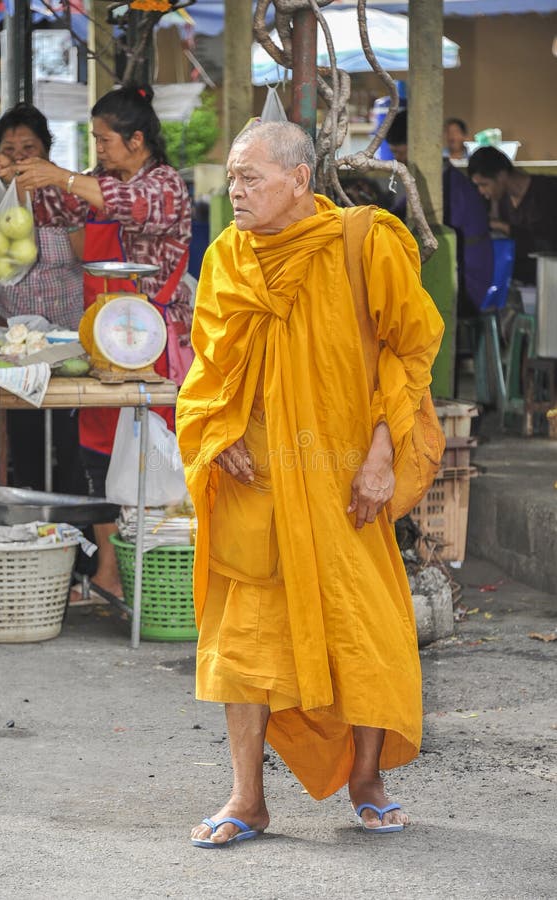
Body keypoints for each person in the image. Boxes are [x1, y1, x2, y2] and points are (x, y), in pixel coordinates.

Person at [176, 121, 444, 847]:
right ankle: (245, 798)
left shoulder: (363, 241)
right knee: (243, 643)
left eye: (250, 176)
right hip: (255, 478)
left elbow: (411, 348)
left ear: (299, 179)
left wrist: (383, 453)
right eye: (231, 177)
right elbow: (209, 365)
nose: (235, 190)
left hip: (342, 476)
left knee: (361, 626)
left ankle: (366, 777)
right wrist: (218, 430)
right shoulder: (230, 254)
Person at [15, 85, 193, 599]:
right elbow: (57, 210)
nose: (99, 150)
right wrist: (19, 177)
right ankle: (110, 575)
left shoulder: (164, 186)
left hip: (155, 341)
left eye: (104, 139)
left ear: (137, 140)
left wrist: (62, 174)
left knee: (152, 458)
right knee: (100, 452)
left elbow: (130, 206)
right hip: (102, 336)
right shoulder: (100, 180)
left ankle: (156, 575)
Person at [0, 103, 85, 494]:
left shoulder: (67, 190)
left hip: (71, 335)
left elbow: (87, 254)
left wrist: (55, 200)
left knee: (74, 437)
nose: (18, 157)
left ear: (46, 150)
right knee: (26, 434)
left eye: (28, 147)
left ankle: (80, 528)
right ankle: (33, 519)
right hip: (18, 341)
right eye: (9, 149)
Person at [385, 110, 493, 314]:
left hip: (467, 286)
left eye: (400, 153)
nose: (398, 160)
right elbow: (395, 215)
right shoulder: (432, 180)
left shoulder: (450, 186)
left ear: (418, 148)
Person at [468, 145, 557, 286]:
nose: (481, 191)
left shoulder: (546, 192)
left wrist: (504, 227)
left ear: (502, 176)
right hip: (521, 286)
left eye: (484, 184)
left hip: (550, 282)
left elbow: (546, 245)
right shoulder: (501, 198)